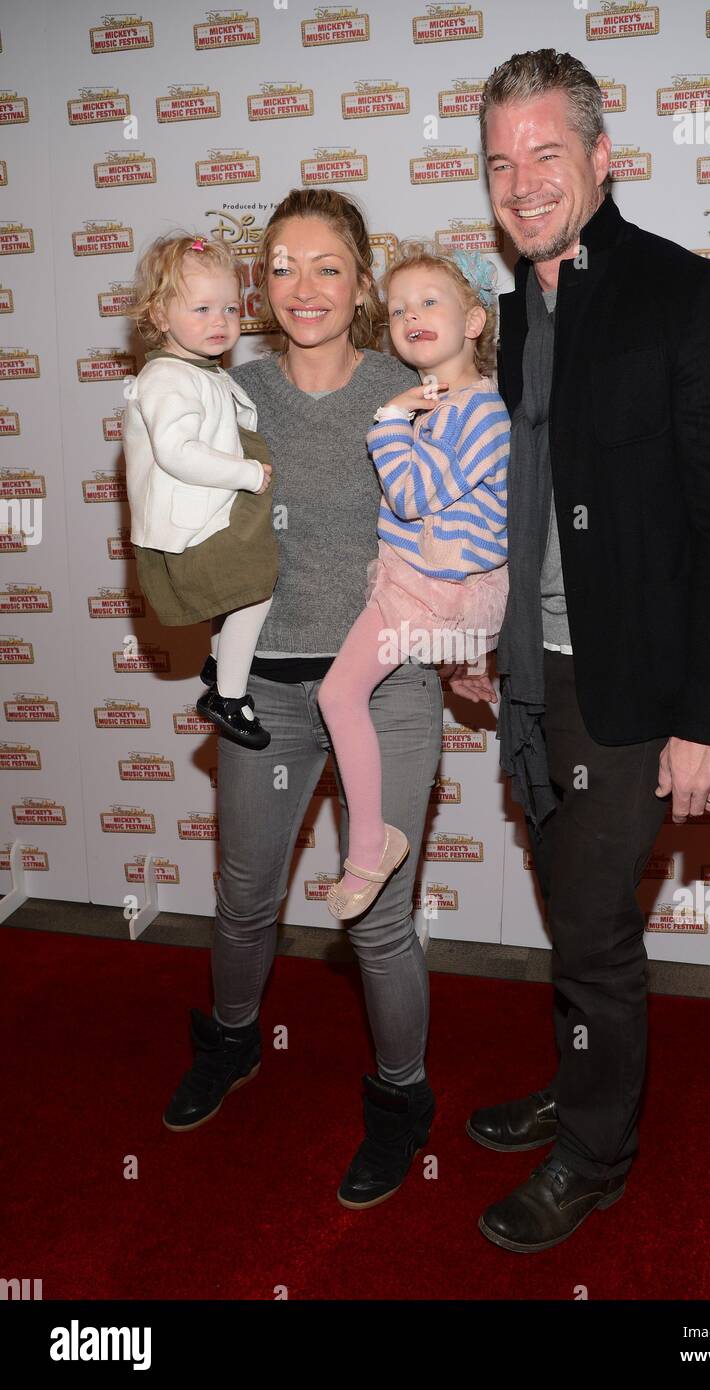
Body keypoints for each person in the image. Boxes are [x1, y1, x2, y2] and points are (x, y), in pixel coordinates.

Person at [448, 49, 710, 1253]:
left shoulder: (694, 297)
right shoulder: (517, 305)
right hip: (536, 670)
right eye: (499, 161)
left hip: (633, 688)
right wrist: (489, 637)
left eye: (545, 153)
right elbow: (515, 498)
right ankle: (583, 1080)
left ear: (600, 155)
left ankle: (596, 1153)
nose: (521, 182)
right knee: (574, 917)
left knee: (589, 925)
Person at [161, 190, 445, 1213]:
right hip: (268, 688)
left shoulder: (408, 383)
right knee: (245, 897)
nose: (303, 285)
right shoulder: (224, 391)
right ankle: (232, 1044)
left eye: (327, 265)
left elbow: (462, 522)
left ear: (363, 284)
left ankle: (402, 1099)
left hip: (388, 687)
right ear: (258, 286)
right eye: (281, 265)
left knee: (376, 918)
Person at [317, 244, 509, 920]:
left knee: (339, 695)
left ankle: (372, 844)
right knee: (342, 697)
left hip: (428, 593)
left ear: (474, 322)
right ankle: (371, 841)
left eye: (430, 302)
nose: (410, 316)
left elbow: (409, 493)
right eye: (398, 309)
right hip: (421, 585)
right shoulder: (440, 404)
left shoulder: (478, 411)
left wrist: (388, 420)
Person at [123, 233, 277, 749]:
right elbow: (176, 451)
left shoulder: (197, 370)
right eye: (203, 308)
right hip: (191, 524)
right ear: (161, 316)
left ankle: (218, 665)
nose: (221, 321)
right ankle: (227, 697)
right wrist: (247, 474)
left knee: (233, 594)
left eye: (231, 308)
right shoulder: (167, 377)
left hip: (209, 513)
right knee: (253, 590)